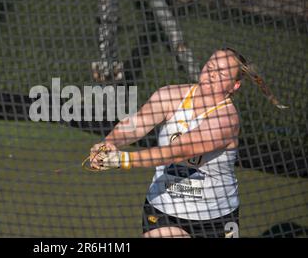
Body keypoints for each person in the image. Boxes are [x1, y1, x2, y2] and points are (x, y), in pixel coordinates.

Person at [89, 48, 287, 238]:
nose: (212, 72)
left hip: (215, 217)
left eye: (222, 72)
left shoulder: (226, 119)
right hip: (163, 209)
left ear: (235, 85)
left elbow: (178, 151)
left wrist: (122, 159)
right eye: (210, 65)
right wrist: (109, 143)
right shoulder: (170, 95)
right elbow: (136, 124)